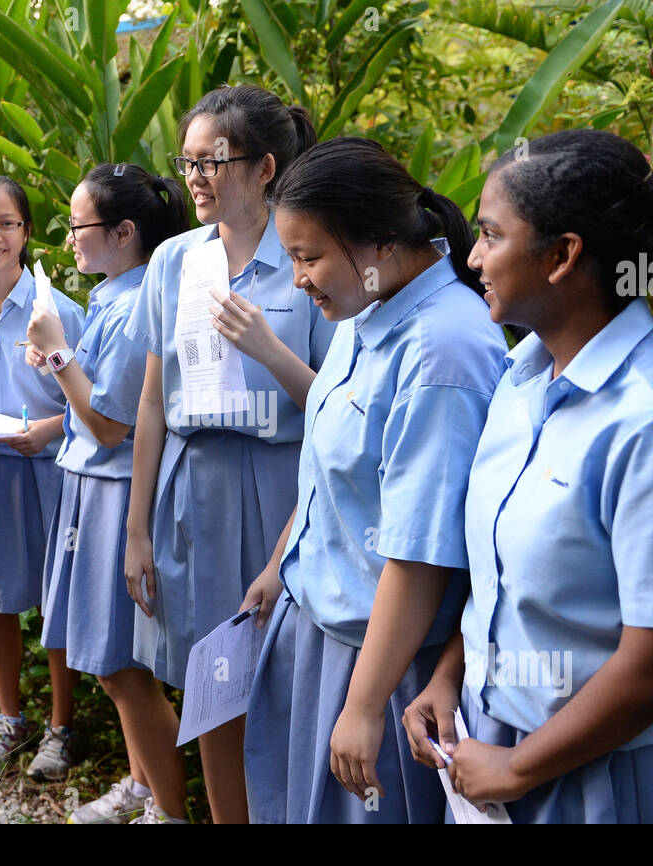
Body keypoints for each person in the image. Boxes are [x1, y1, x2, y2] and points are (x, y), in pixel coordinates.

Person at [402, 128, 653, 823]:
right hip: (497, 753)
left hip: (622, 774)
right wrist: (450, 678)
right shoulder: (522, 379)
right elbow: (508, 583)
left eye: (490, 233)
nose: (474, 255)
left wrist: (519, 767)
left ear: (563, 254)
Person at [236, 137, 507, 823]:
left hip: (384, 668)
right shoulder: (365, 311)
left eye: (307, 256)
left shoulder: (443, 350)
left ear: (380, 243)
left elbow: (420, 555)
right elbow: (337, 475)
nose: (297, 277)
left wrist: (362, 706)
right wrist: (281, 563)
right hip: (318, 627)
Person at [123, 85, 335, 823]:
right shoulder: (173, 262)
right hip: (188, 486)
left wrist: (271, 352)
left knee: (282, 682)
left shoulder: (309, 260)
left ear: (266, 166)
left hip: (282, 483)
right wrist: (136, 528)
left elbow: (338, 412)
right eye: (188, 163)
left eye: (213, 162)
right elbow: (152, 401)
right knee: (210, 684)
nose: (196, 178)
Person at [27, 163, 190, 823]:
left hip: (116, 493)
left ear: (124, 232)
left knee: (124, 665)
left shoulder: (138, 303)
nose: (69, 239)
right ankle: (144, 785)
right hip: (93, 489)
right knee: (110, 661)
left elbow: (109, 422)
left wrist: (60, 357)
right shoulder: (118, 295)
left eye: (78, 226)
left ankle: (169, 809)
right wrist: (62, 359)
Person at [0, 176, 85, 781]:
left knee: (55, 600)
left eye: (6, 224)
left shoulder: (60, 311)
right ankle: (9, 717)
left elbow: (100, 402)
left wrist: (51, 429)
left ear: (27, 232)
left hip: (48, 469)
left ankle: (61, 726)